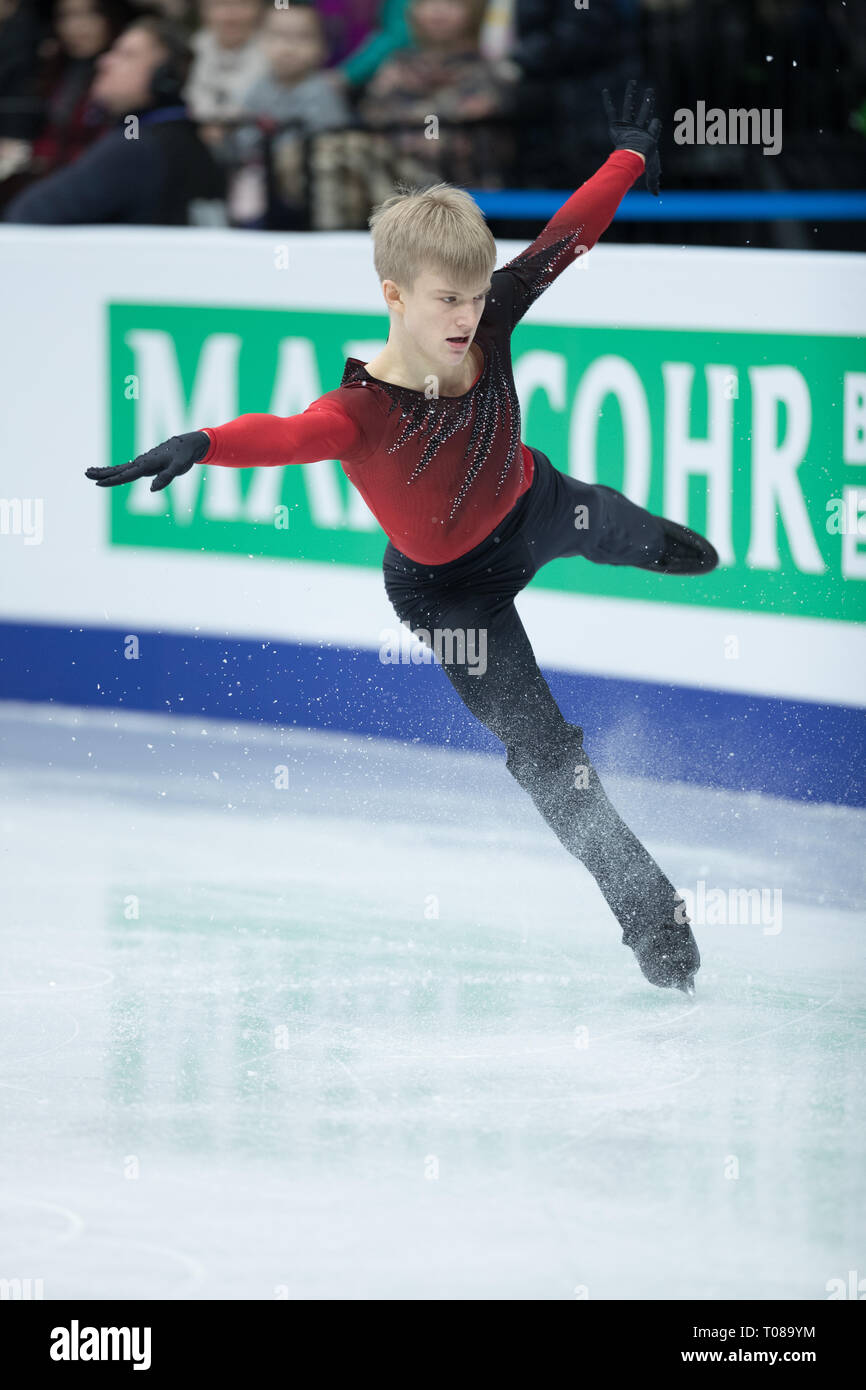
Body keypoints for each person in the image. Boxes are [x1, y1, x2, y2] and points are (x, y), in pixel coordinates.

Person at [85, 86, 715, 994]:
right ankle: (650, 914)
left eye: (474, 293)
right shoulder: (361, 408)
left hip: (538, 503)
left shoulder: (492, 314)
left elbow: (562, 242)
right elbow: (290, 434)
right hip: (449, 593)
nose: (467, 316)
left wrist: (626, 158)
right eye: (447, 299)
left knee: (637, 534)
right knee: (545, 756)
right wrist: (203, 442)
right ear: (394, 296)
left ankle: (640, 538)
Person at [4, 15, 224, 223]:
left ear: (164, 78)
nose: (104, 62)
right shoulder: (156, 129)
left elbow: (28, 212)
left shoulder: (136, 146)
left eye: (125, 54)